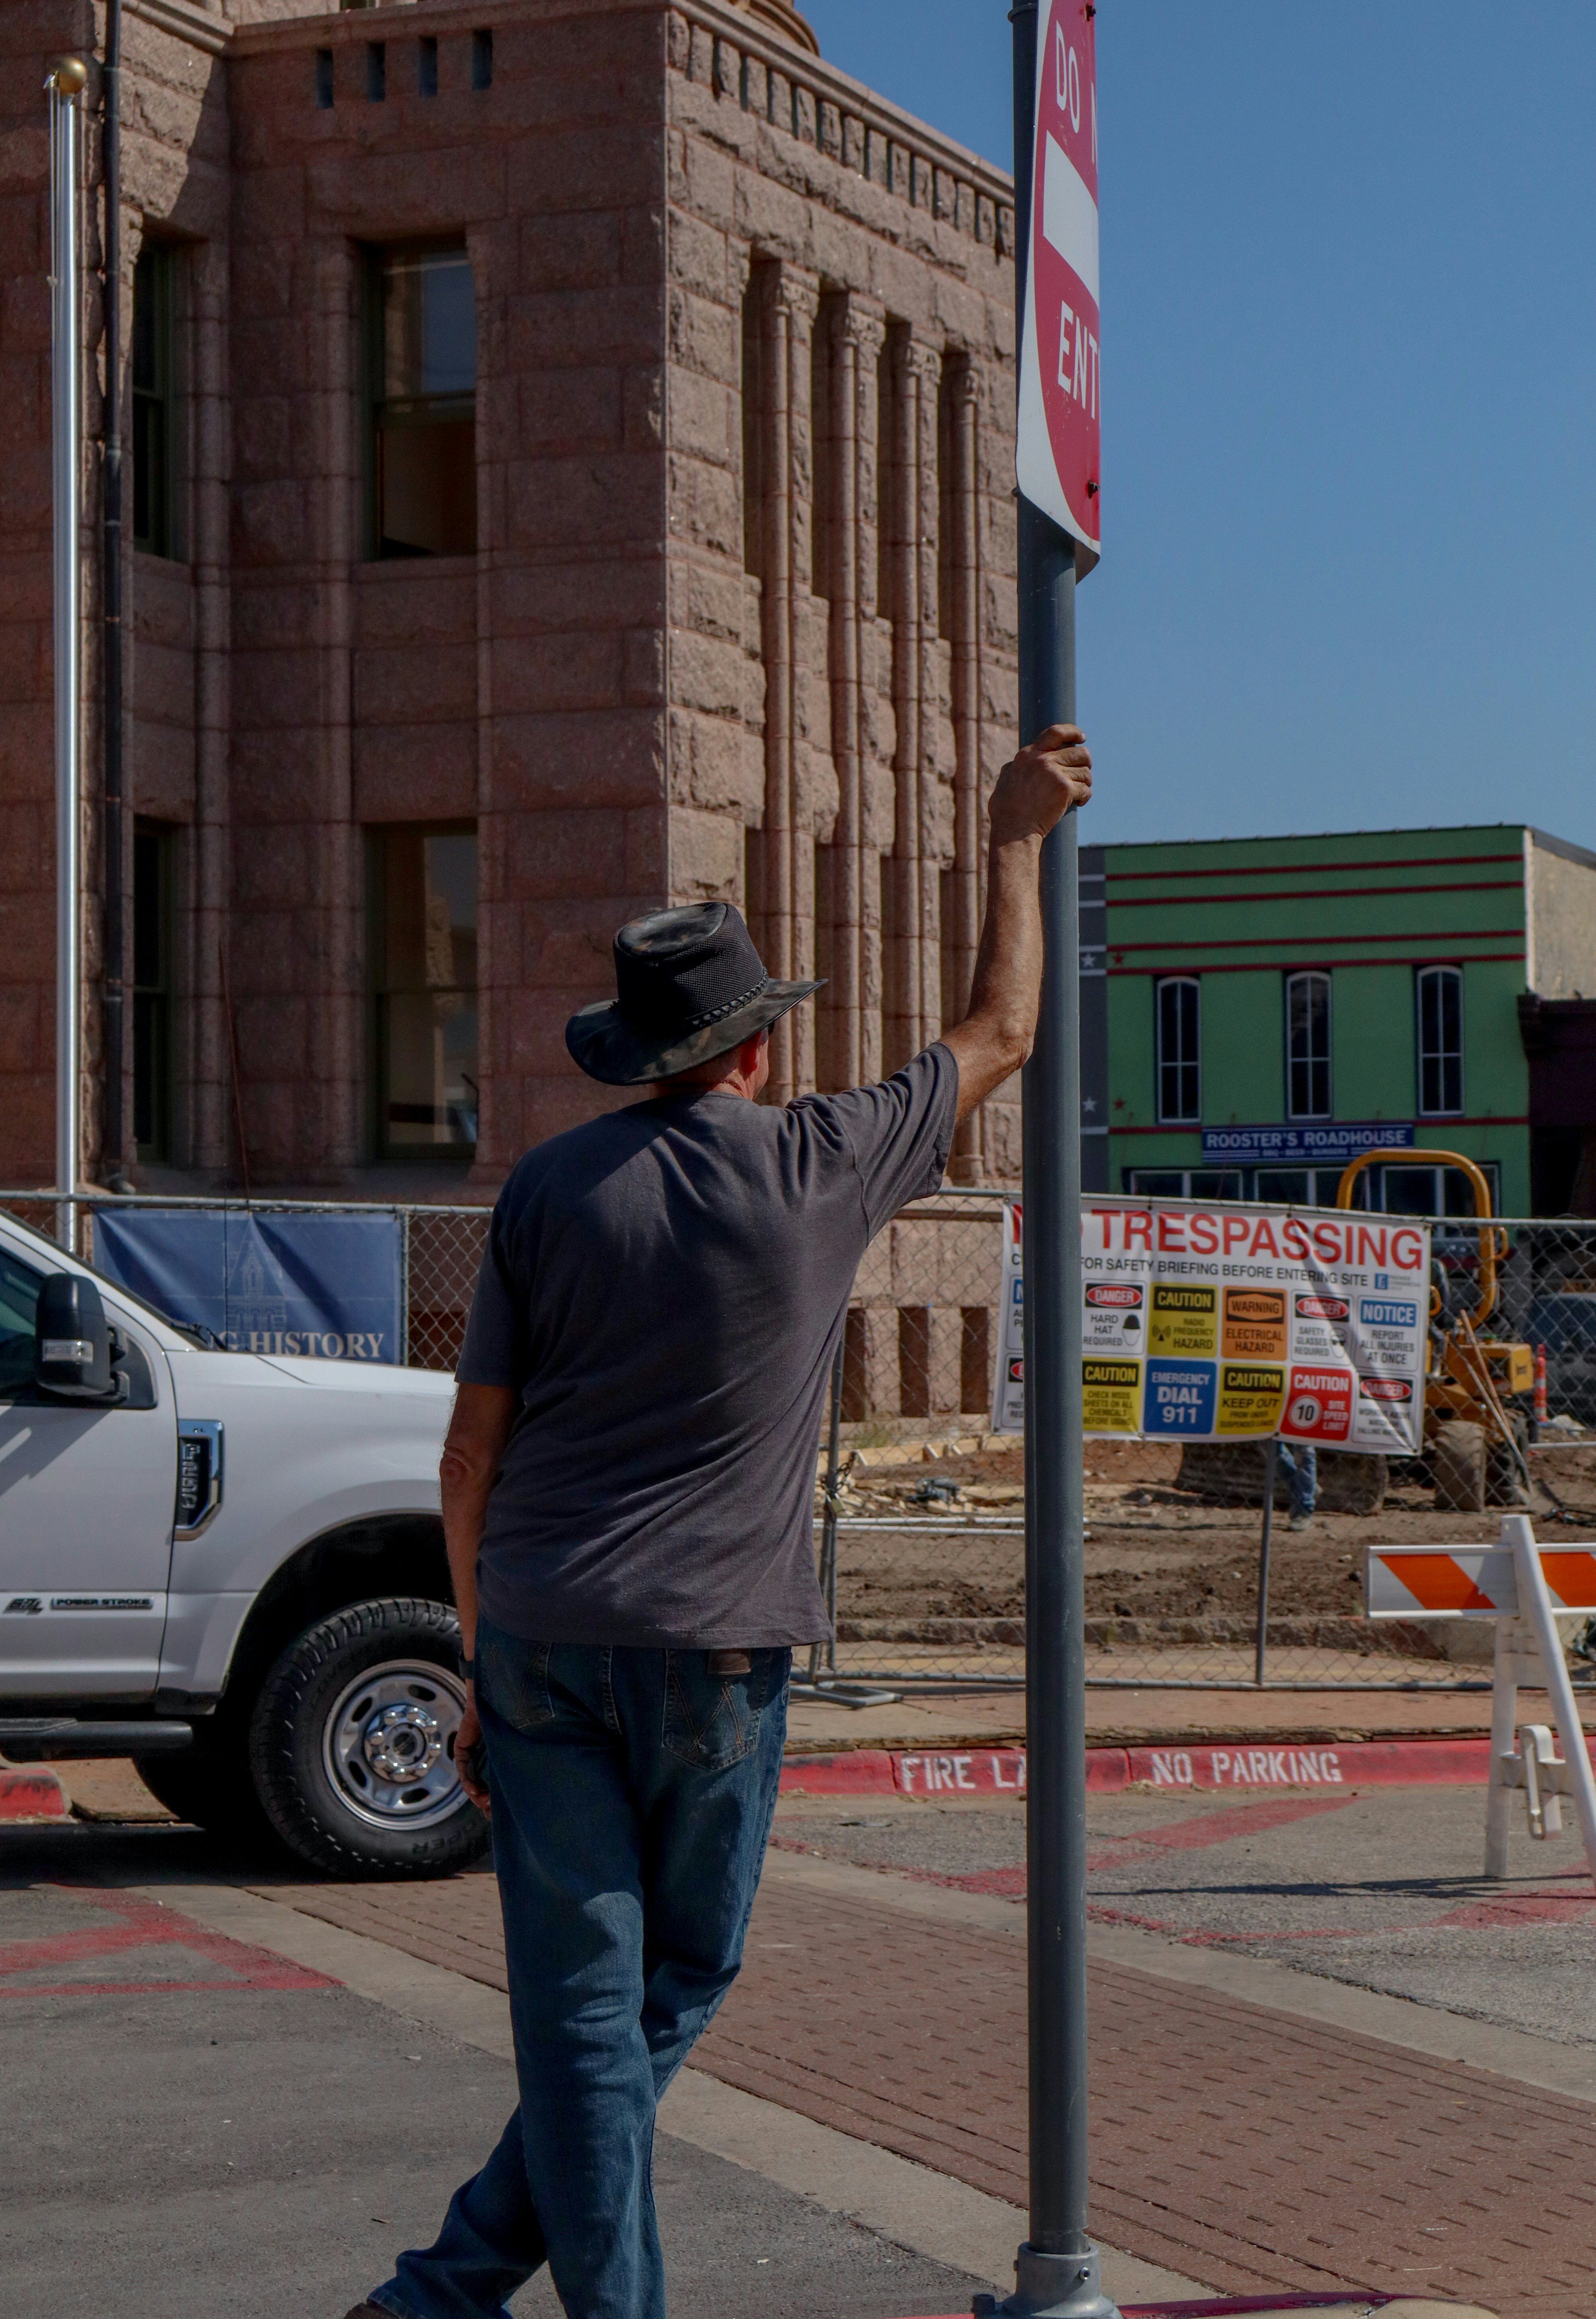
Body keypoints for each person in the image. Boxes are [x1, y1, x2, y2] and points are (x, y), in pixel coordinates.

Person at [342, 720, 1092, 2319]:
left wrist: (480, 1660)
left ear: (637, 1050)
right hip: (715, 1650)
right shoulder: (819, 1164)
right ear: (754, 1051)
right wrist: (1011, 834)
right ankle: (455, 2293)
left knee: (584, 2012)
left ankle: (449, 2290)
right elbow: (999, 1030)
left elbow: (466, 1459)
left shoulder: (544, 1192)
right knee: (661, 1988)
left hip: (541, 1629)